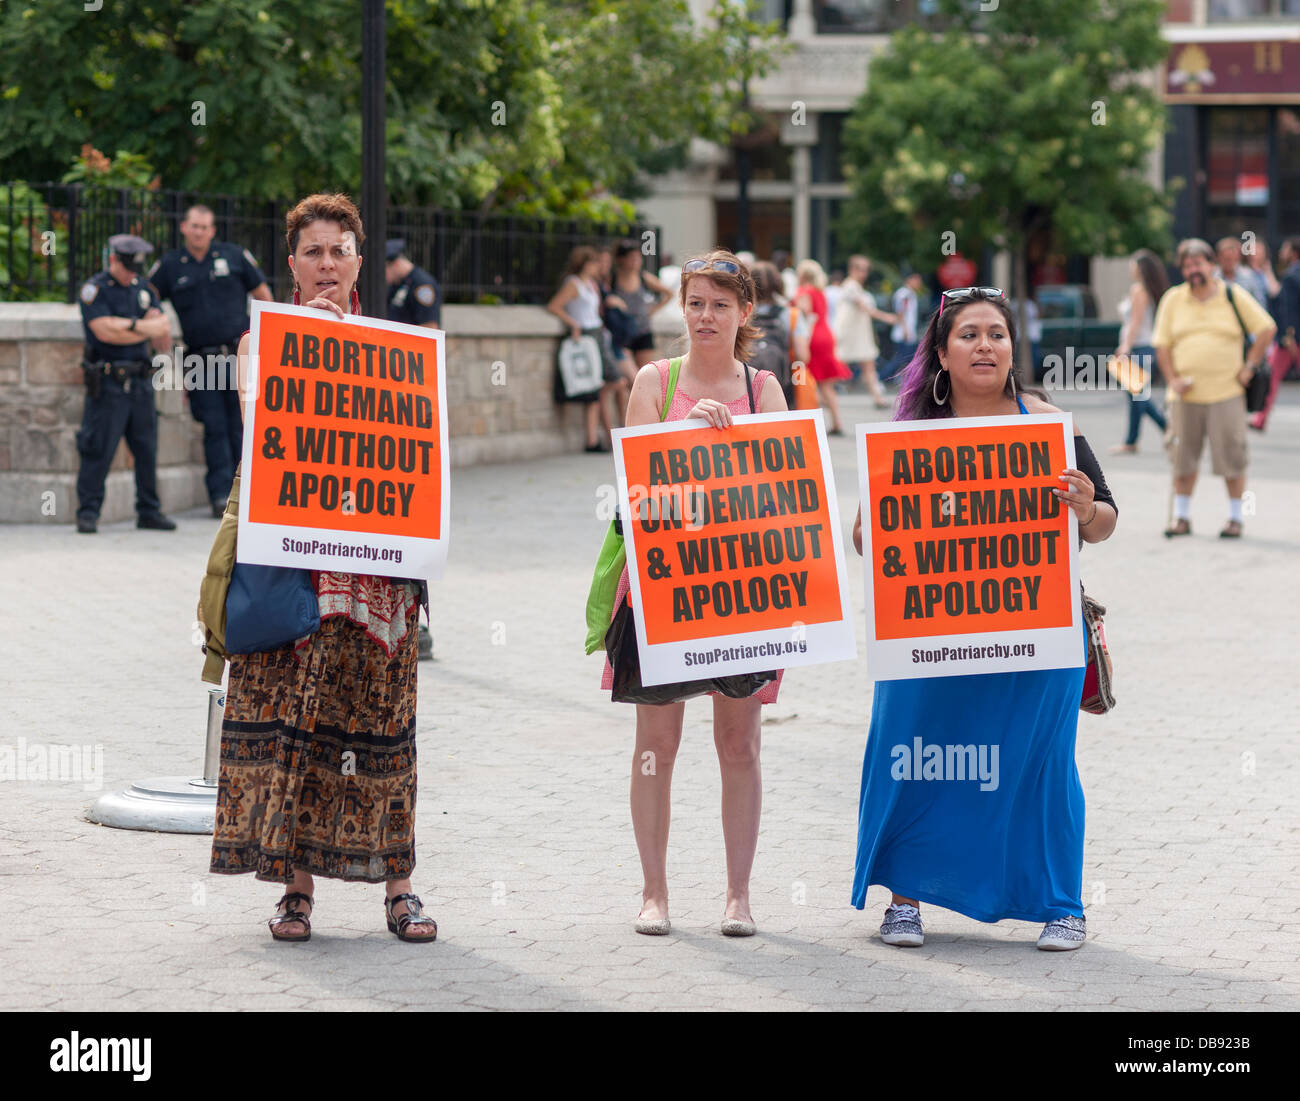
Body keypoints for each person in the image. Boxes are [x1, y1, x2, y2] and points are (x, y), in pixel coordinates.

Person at [851, 286, 1118, 951]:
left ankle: (1062, 904)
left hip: (1039, 632)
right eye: (968, 334)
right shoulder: (907, 436)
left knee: (1042, 766)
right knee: (911, 751)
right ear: (941, 353)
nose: (984, 346)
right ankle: (904, 899)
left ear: (1011, 347)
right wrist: (870, 525)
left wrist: (1084, 507)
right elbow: (869, 539)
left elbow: (1107, 522)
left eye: (996, 333)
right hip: (930, 637)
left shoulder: (1055, 426)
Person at [212, 193, 437, 944]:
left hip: (377, 575)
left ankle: (399, 891)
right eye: (313, 251)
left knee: (383, 724)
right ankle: (294, 895)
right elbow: (258, 430)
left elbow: (420, 454)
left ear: (360, 259)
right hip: (293, 572)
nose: (327, 263)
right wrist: (314, 344)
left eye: (340, 249)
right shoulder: (262, 341)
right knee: (296, 725)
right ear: (292, 264)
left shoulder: (396, 343)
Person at [603, 248, 789, 938]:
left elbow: (783, 501)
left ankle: (738, 894)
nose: (705, 315)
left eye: (720, 303)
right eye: (695, 302)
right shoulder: (655, 381)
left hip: (740, 593)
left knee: (739, 742)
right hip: (662, 591)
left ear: (745, 312)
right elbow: (631, 499)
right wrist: (683, 435)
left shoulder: (765, 389)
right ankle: (654, 891)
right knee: (657, 738)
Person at [149, 205, 273, 518]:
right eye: (194, 226)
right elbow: (147, 295)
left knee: (243, 426)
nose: (199, 231)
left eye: (204, 226)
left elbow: (262, 293)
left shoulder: (233, 256)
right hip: (201, 361)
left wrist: (268, 337)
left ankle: (249, 493)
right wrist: (155, 321)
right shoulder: (171, 265)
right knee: (214, 427)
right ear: (184, 228)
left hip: (239, 355)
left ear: (213, 230)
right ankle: (221, 496)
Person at [1154, 238, 1276, 539]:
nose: (1193, 270)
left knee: (1232, 457)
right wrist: (1172, 379)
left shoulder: (1232, 294)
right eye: (1187, 265)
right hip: (1185, 395)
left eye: (1199, 263)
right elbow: (1162, 345)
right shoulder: (1173, 298)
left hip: (1227, 393)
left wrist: (1249, 367)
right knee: (1183, 458)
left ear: (1212, 265)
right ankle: (1181, 518)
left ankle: (1236, 519)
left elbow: (1266, 328)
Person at [75, 234, 177, 535]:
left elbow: (162, 335)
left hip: (141, 380)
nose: (133, 273)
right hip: (108, 383)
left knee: (147, 450)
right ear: (113, 260)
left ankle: (149, 511)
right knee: (98, 449)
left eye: (136, 268)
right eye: (127, 267)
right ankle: (88, 513)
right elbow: (104, 332)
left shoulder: (143, 289)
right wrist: (142, 327)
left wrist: (128, 327)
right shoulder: (96, 289)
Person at [546, 245, 622, 452]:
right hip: (586, 334)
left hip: (597, 333)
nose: (598, 266)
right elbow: (554, 305)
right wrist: (573, 323)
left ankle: (593, 439)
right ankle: (593, 439)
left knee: (600, 389)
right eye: (594, 262)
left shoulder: (591, 284)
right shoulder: (574, 284)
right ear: (585, 264)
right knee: (612, 381)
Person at [1109, 249, 1169, 454]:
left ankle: (1137, 439)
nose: (1130, 269)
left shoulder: (1139, 290)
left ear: (1140, 268)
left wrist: (1125, 346)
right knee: (1137, 395)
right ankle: (1165, 430)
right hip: (1143, 346)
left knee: (1137, 396)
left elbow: (1135, 322)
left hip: (1138, 347)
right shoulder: (1146, 289)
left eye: (1133, 264)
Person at [791, 259, 852, 435]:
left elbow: (805, 312)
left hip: (812, 337)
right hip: (826, 334)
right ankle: (836, 421)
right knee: (826, 384)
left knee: (804, 380)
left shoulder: (804, 291)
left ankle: (809, 420)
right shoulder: (820, 292)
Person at [1249, 237, 1300, 433]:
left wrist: (1289, 335)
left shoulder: (1290, 276)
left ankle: (1261, 418)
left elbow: (1288, 308)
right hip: (1292, 337)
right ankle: (1260, 418)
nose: (1281, 252)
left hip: (1290, 338)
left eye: (1285, 248)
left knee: (1272, 378)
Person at [834, 255, 897, 409]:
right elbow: (865, 308)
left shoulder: (856, 287)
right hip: (850, 334)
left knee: (868, 366)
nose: (863, 273)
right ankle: (820, 393)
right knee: (837, 364)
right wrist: (887, 317)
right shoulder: (851, 286)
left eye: (865, 269)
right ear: (851, 269)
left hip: (859, 334)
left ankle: (878, 398)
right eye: (860, 269)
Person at [384, 238, 442, 328]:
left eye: (385, 268)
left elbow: (429, 326)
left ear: (396, 264)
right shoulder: (397, 283)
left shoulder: (422, 285)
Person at [882, 269, 925, 382]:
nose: (919, 283)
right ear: (910, 280)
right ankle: (883, 377)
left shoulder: (910, 294)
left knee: (905, 358)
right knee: (900, 358)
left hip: (907, 332)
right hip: (903, 333)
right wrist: (906, 330)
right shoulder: (905, 294)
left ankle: (899, 378)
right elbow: (900, 312)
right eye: (917, 280)